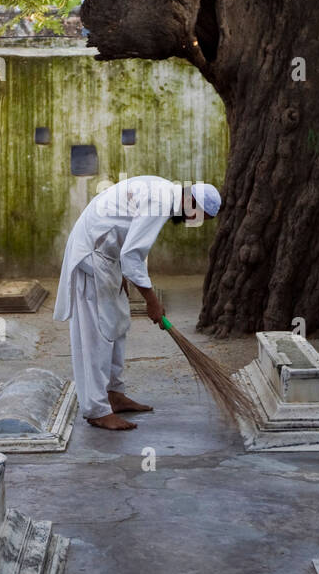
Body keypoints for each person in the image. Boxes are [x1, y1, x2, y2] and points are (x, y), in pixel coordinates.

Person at [54, 176, 222, 430]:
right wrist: (152, 301)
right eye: (197, 216)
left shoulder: (166, 194)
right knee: (97, 336)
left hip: (108, 257)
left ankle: (114, 394)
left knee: (116, 324)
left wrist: (123, 272)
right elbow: (132, 254)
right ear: (192, 202)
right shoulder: (161, 201)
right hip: (91, 256)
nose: (193, 222)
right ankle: (96, 410)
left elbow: (129, 238)